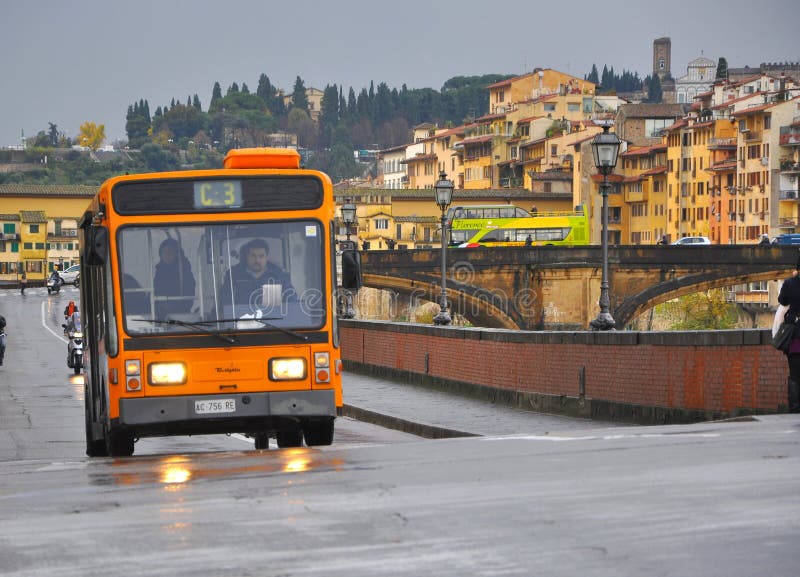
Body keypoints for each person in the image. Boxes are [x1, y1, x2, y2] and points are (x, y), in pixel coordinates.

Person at [219, 238, 295, 315]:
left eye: (261, 256)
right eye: (253, 256)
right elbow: (224, 303)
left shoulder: (278, 275)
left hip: (273, 322)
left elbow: (292, 299)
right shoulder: (234, 275)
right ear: (247, 256)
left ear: (267, 257)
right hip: (243, 322)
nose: (257, 260)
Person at [773, 255, 800, 413]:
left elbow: (782, 301)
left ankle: (795, 406)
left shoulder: (790, 284)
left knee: (795, 374)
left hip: (796, 335)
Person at [153, 238, 196, 318]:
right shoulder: (159, 271)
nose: (167, 254)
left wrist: (174, 306)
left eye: (170, 250)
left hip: (180, 314)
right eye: (164, 251)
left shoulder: (184, 270)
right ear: (160, 254)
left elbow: (189, 296)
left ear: (176, 253)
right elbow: (156, 291)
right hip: (159, 313)